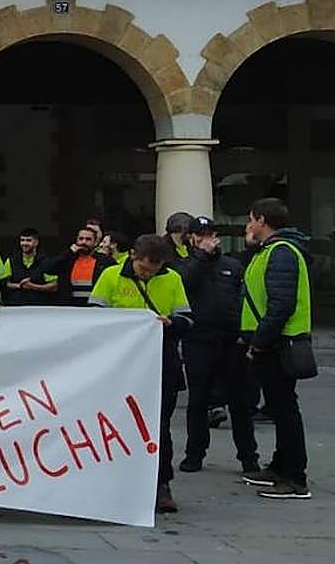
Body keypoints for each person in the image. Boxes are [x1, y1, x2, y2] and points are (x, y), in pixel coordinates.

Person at [89, 234, 192, 514]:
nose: (148, 273)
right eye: (144, 269)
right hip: (120, 367)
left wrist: (170, 324)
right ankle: (114, 483)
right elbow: (93, 316)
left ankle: (161, 485)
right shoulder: (111, 275)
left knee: (159, 428)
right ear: (133, 257)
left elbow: (187, 319)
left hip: (161, 365)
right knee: (116, 424)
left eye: (154, 270)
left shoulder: (172, 280)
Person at [240, 198, 313, 500]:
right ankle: (282, 466)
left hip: (278, 343)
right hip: (273, 342)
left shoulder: (282, 253)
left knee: (284, 409)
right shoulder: (268, 251)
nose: (249, 225)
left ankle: (295, 477)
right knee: (280, 407)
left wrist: (259, 342)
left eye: (251, 219)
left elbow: (280, 305)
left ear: (261, 220)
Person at [178, 216, 258, 475]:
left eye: (211, 234)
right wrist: (200, 256)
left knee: (240, 402)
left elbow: (242, 298)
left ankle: (249, 457)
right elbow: (184, 282)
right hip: (198, 341)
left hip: (230, 342)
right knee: (199, 401)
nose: (208, 239)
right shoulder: (182, 265)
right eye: (200, 235)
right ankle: (195, 454)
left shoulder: (232, 265)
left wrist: (243, 335)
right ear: (191, 238)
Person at [40, 225, 115, 306]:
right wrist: (69, 252)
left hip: (94, 307)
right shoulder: (68, 259)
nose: (84, 242)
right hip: (70, 306)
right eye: (81, 239)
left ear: (95, 243)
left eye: (88, 239)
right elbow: (48, 269)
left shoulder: (105, 261)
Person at [2, 228, 57, 306]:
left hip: (38, 307)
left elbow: (54, 286)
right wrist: (19, 286)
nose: (24, 243)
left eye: (28, 240)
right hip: (16, 307)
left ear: (36, 242)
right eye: (22, 240)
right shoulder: (11, 261)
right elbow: (4, 283)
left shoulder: (45, 262)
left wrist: (33, 286)